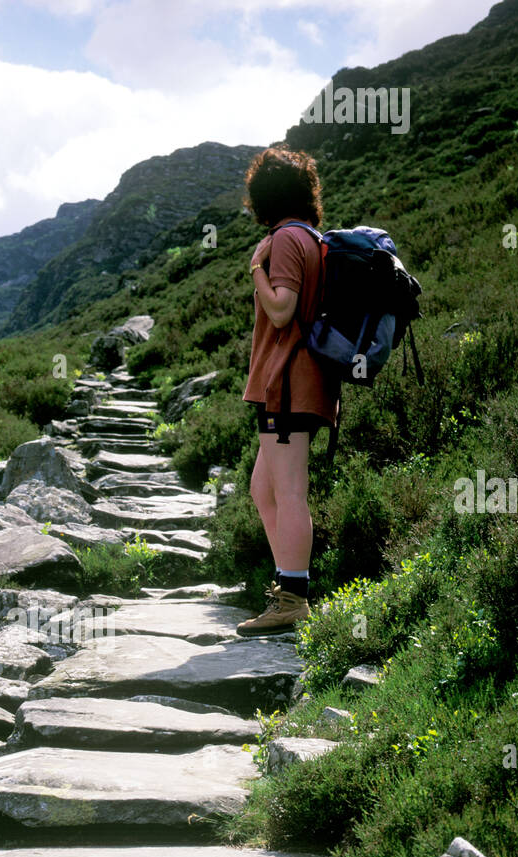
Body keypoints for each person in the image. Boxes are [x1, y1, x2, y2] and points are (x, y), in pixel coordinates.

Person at [235, 146, 340, 637]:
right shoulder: (313, 238)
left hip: (287, 385)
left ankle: (294, 597)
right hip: (302, 382)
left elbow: (281, 310)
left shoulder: (282, 242)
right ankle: (287, 588)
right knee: (264, 488)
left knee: (291, 491)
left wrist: (257, 268)